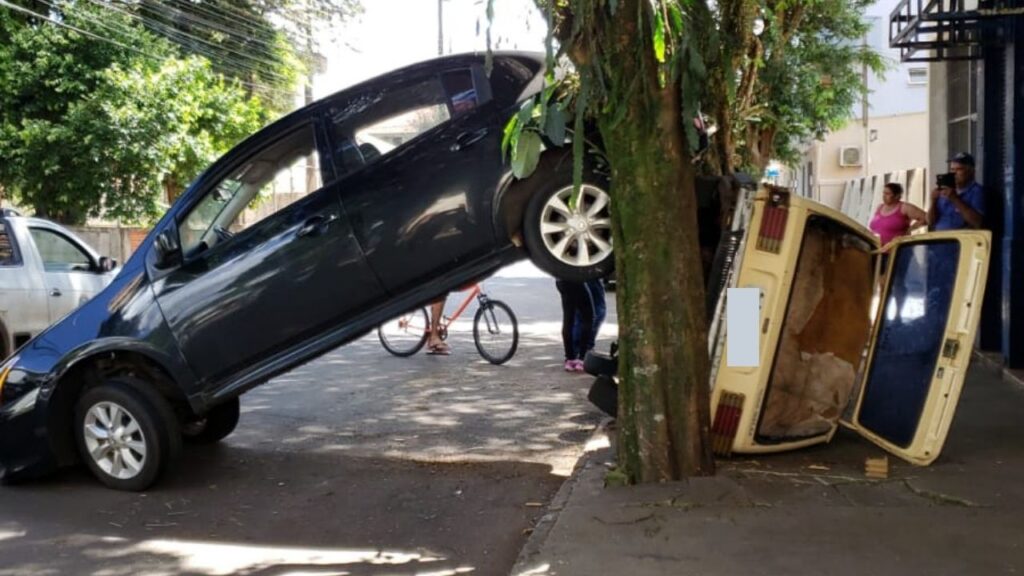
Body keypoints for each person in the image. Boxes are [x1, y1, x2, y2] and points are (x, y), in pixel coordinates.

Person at [928, 152, 985, 231]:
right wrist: (933, 201)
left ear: (971, 172)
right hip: (938, 240)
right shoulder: (945, 190)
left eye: (959, 169)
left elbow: (977, 222)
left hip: (960, 241)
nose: (954, 173)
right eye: (952, 169)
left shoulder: (977, 192)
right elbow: (930, 222)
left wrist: (955, 199)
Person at [556, 279, 594, 372]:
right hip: (576, 279)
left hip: (561, 279)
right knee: (588, 317)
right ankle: (582, 358)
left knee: (568, 319)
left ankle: (570, 358)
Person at [572, 278, 606, 356]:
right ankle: (586, 347)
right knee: (596, 312)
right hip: (590, 275)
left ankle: (575, 349)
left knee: (579, 314)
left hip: (572, 276)